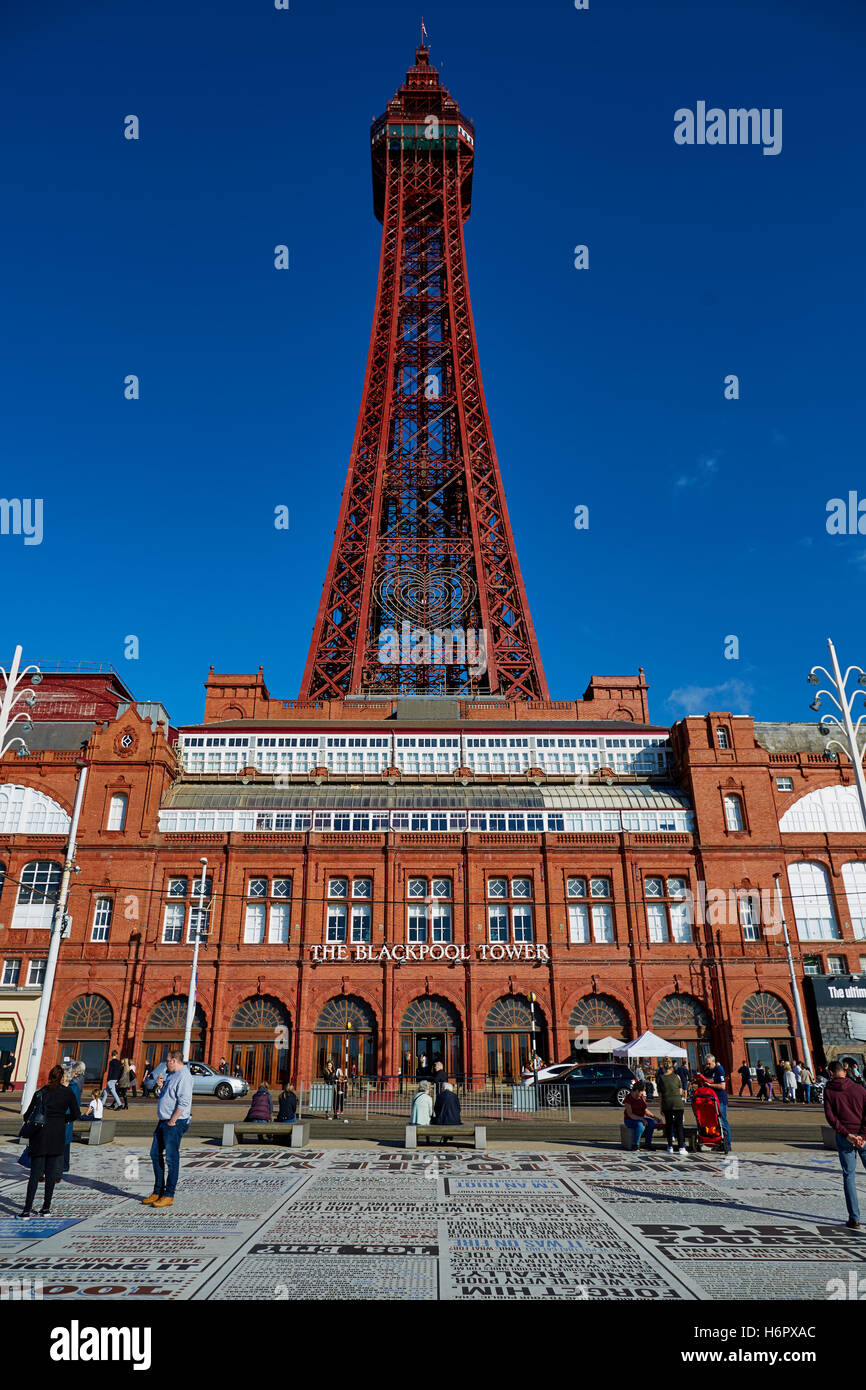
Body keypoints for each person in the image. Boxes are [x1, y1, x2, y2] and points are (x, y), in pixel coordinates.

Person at [19, 1065, 80, 1218]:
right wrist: (62, 1120)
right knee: (51, 1175)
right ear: (62, 1078)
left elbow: (27, 1116)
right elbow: (76, 1114)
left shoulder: (40, 1093)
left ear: (50, 1076)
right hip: (56, 1136)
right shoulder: (67, 1093)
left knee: (34, 1175)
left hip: (39, 1136)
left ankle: (26, 1210)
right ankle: (46, 1208)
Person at [143, 1048, 192, 1210]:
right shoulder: (171, 1075)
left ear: (174, 1061)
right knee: (154, 1153)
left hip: (174, 1123)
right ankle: (158, 1191)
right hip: (163, 1120)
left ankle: (169, 1195)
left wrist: (173, 1120)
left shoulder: (184, 1076)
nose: (165, 1064)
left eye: (167, 1061)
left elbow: (184, 1102)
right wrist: (161, 1086)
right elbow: (168, 1096)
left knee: (171, 1158)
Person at [823, 1058, 866, 1229]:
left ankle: (854, 1218)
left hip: (845, 1137)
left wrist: (847, 1134)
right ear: (845, 1070)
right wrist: (862, 1135)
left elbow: (830, 1117)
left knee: (849, 1177)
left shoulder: (830, 1090)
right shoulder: (860, 1089)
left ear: (832, 1073)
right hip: (863, 1138)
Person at [657, 1059, 688, 1155]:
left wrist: (661, 1108)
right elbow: (681, 1091)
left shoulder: (661, 1078)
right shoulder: (677, 1076)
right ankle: (681, 1147)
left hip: (667, 1104)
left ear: (664, 1068)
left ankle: (670, 1146)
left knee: (669, 1125)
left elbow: (660, 1095)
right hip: (678, 1103)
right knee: (679, 1125)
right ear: (671, 1067)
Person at [701, 1055, 732, 1147]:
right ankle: (719, 1143)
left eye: (709, 1063)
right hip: (712, 1100)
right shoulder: (709, 1071)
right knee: (715, 1122)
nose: (707, 1065)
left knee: (722, 1121)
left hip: (720, 1099)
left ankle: (727, 1144)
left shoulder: (719, 1070)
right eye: (706, 1063)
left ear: (713, 1062)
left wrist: (710, 1085)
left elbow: (722, 1086)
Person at [62, 1060, 86, 1174]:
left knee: (65, 1141)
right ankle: (60, 1164)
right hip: (60, 1117)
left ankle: (64, 1164)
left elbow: (76, 1103)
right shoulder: (74, 1084)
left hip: (67, 1117)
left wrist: (72, 1116)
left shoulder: (74, 1085)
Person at [623, 1082, 661, 1151]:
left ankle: (648, 1144)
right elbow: (630, 1114)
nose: (642, 1093)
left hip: (641, 1118)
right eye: (641, 1092)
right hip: (629, 1119)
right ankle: (636, 1144)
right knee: (640, 1125)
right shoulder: (628, 1098)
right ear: (637, 1090)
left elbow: (645, 1110)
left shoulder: (641, 1097)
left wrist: (655, 1117)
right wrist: (641, 1119)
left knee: (651, 1123)